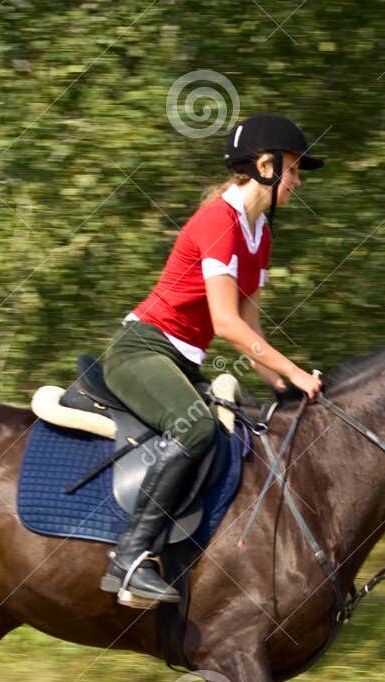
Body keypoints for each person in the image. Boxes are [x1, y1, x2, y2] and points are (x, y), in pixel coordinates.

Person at [99, 113, 325, 607]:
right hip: (141, 351)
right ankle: (130, 558)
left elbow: (253, 327)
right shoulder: (218, 223)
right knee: (196, 428)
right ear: (265, 166)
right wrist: (292, 371)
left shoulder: (260, 232)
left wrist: (286, 390)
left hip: (181, 362)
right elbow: (226, 324)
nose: (298, 179)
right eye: (293, 169)